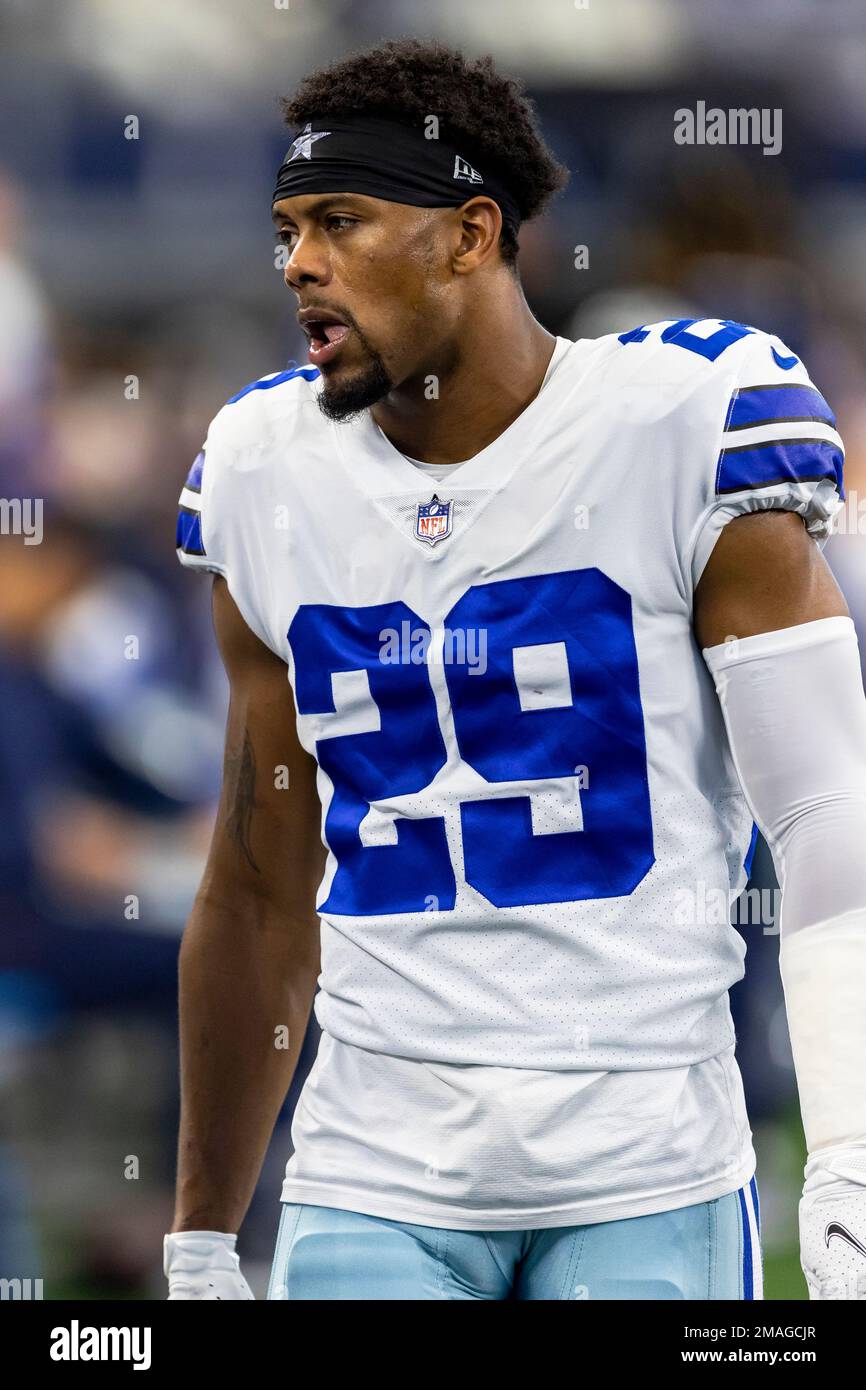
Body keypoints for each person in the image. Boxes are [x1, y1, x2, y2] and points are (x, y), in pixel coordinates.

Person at [164, 39, 866, 1300]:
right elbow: (261, 878)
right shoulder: (263, 468)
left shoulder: (685, 424)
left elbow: (823, 819)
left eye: (339, 219)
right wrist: (203, 1235)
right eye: (286, 228)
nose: (298, 263)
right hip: (370, 1166)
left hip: (641, 1165)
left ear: (470, 235)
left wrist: (850, 1166)